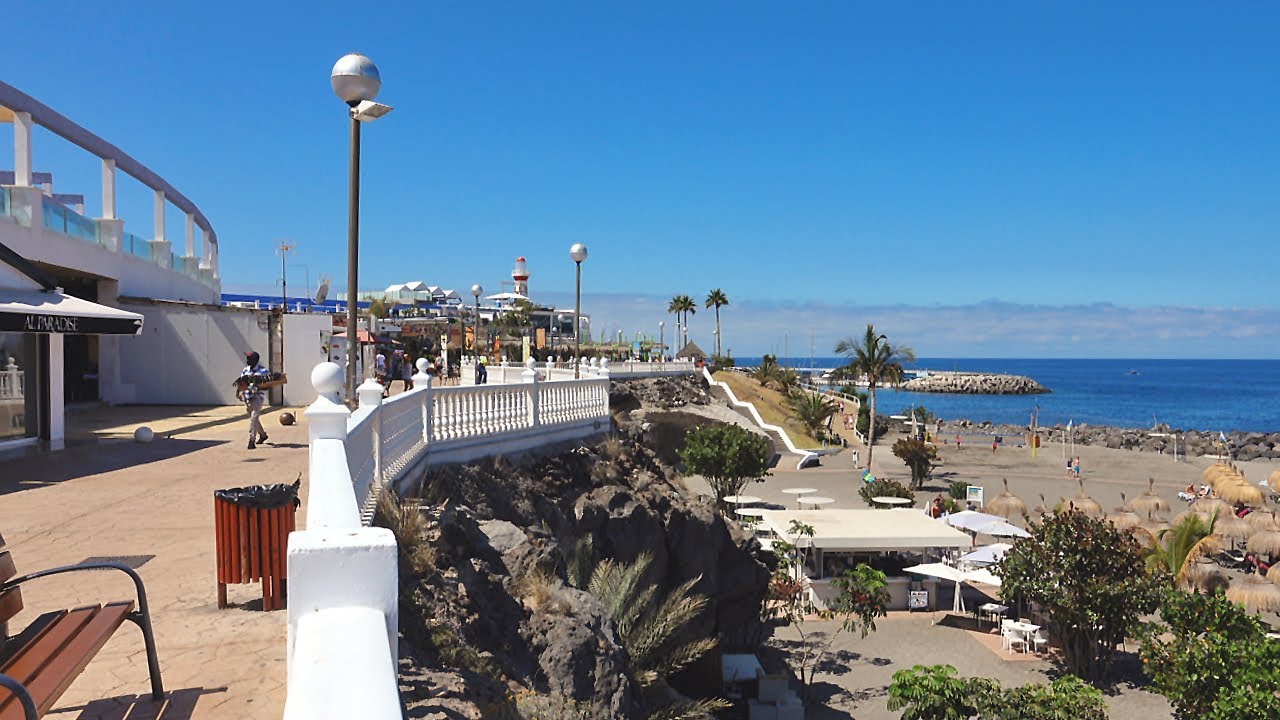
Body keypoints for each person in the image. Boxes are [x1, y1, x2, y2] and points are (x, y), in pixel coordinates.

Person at [239, 351, 271, 450]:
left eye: (249, 358)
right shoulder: (245, 370)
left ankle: (251, 440)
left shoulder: (263, 371)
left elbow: (269, 384)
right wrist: (241, 393)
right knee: (254, 418)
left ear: (254, 360)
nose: (247, 360)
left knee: (254, 417)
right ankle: (262, 434)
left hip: (257, 397)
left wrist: (259, 387)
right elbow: (241, 383)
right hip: (248, 398)